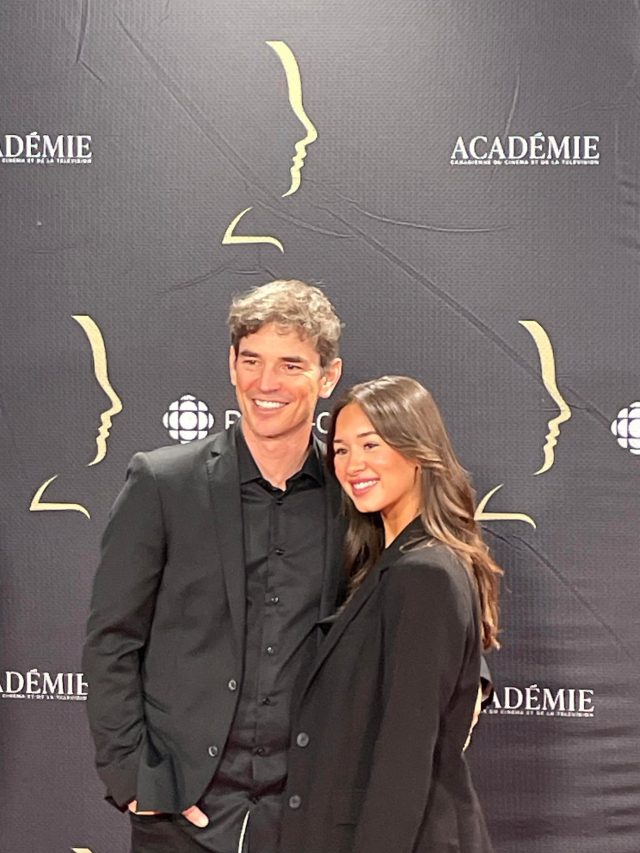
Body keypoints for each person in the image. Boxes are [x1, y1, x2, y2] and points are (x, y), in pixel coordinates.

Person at [82, 279, 344, 853]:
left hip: (312, 817)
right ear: (231, 365)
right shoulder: (163, 483)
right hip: (180, 818)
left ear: (328, 377)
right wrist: (133, 781)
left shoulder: (355, 499)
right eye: (251, 360)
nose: (266, 383)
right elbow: (111, 640)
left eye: (290, 364)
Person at [279, 375, 500, 853]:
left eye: (371, 445)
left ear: (417, 450)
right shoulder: (392, 563)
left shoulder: (424, 573)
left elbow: (405, 754)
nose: (353, 464)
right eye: (340, 450)